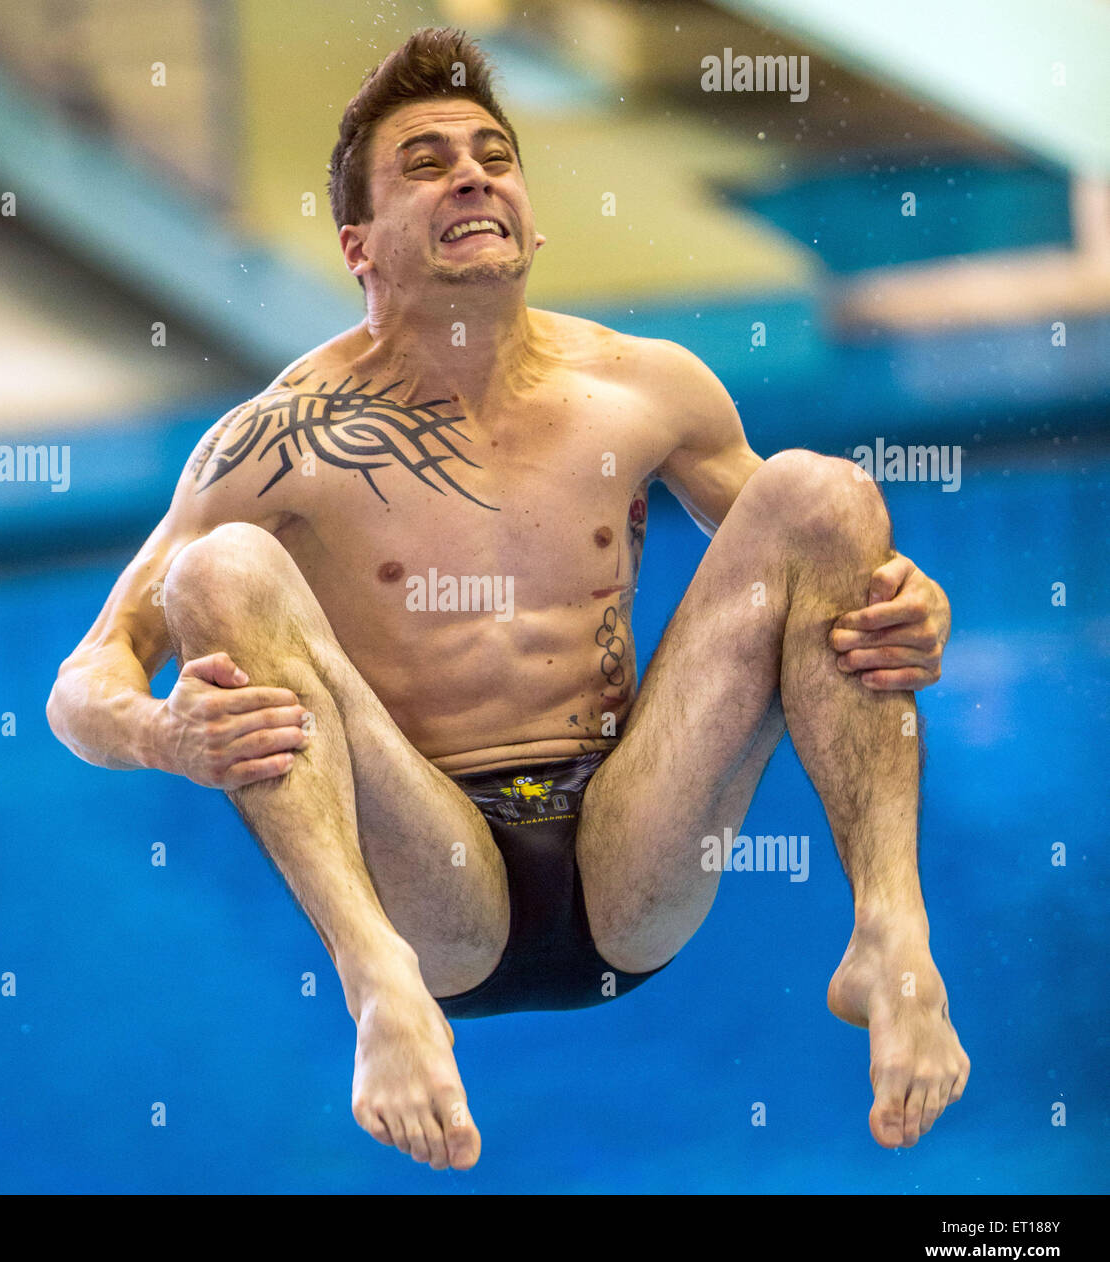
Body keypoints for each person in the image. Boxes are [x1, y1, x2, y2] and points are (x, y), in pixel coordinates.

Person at [47, 27, 969, 1174]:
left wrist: (906, 605)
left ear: (529, 217)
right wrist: (163, 731)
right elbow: (83, 682)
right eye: (425, 163)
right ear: (360, 246)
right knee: (216, 573)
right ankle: (373, 987)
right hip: (430, 889)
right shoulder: (277, 439)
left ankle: (891, 930)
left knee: (822, 495)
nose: (472, 173)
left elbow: (827, 580)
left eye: (491, 153)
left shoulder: (644, 385)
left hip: (633, 850)